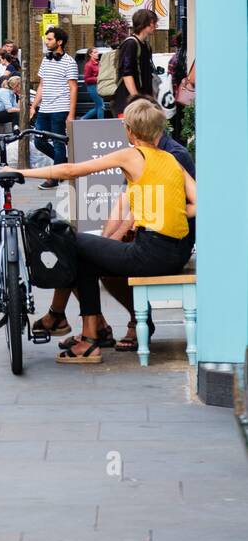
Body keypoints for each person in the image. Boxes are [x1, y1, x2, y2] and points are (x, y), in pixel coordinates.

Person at [21, 96, 196, 364]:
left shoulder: (132, 154)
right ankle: (91, 336)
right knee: (86, 260)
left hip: (148, 253)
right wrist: (170, 212)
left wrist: (19, 172)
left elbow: (71, 169)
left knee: (69, 240)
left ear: (128, 129)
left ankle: (77, 329)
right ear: (160, 129)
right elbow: (200, 203)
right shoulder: (172, 161)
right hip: (172, 253)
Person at [30, 25, 78, 190]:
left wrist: (71, 114)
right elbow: (42, 85)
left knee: (58, 143)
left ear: (59, 42)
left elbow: (73, 88)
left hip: (60, 108)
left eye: (49, 39)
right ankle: (63, 165)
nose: (46, 41)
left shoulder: (69, 62)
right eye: (46, 38)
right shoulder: (45, 59)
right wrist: (34, 105)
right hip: (44, 109)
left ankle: (54, 178)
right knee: (38, 141)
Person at [111, 8, 158, 116]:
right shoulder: (130, 44)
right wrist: (136, 99)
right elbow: (127, 74)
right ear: (146, 23)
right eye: (153, 22)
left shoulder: (146, 45)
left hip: (142, 100)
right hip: (128, 103)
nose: (155, 25)